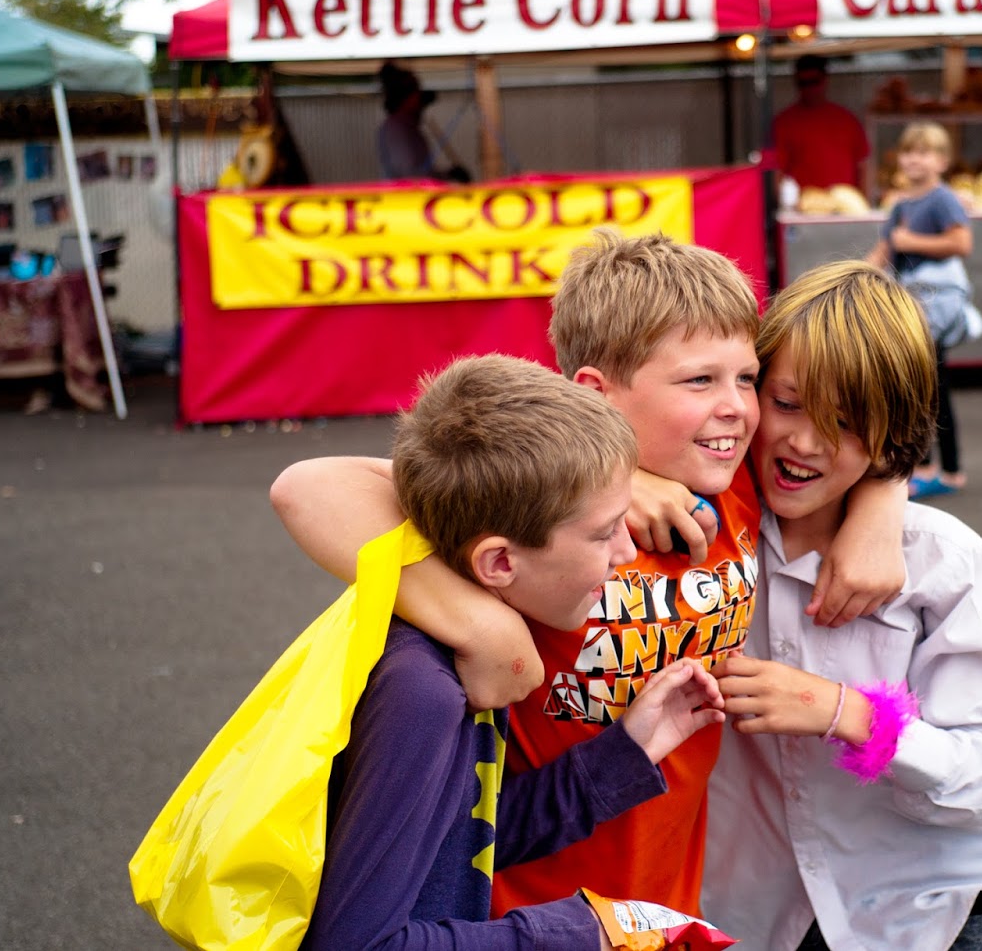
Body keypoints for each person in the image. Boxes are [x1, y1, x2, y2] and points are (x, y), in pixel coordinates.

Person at [270, 230, 907, 919]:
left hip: (662, 908)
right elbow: (307, 488)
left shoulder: (736, 481)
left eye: (747, 378)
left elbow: (853, 444)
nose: (738, 407)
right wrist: (482, 627)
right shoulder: (546, 502)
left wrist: (884, 503)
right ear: (598, 396)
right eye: (701, 380)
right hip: (520, 906)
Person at [629, 261, 982, 949]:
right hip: (757, 910)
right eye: (786, 403)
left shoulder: (941, 560)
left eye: (846, 423)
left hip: (930, 907)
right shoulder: (696, 529)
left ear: (890, 437)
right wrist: (620, 475)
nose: (805, 441)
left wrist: (844, 712)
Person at [301, 354, 727, 950]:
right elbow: (357, 944)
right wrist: (581, 933)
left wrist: (627, 752)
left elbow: (460, 843)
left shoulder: (466, 642)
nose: (627, 552)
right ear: (500, 562)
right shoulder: (422, 691)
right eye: (606, 532)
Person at [864, 121, 977, 497]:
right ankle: (925, 465)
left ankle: (951, 471)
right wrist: (852, 276)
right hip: (912, 309)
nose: (915, 160)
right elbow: (883, 253)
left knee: (934, 390)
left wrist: (910, 240)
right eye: (910, 152)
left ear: (942, 161)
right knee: (918, 388)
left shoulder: (942, 199)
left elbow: (962, 242)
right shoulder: (900, 205)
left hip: (933, 310)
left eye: (925, 152)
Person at [774, 55, 870, 198]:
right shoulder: (784, 122)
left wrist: (864, 203)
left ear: (825, 80)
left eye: (813, 82)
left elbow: (863, 165)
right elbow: (777, 172)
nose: (809, 89)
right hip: (803, 210)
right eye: (803, 83)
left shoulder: (846, 119)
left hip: (846, 206)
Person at [377, 63, 439, 180]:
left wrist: (447, 175)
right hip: (406, 195)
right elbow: (409, 173)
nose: (422, 106)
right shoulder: (396, 129)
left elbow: (424, 170)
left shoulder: (407, 127)